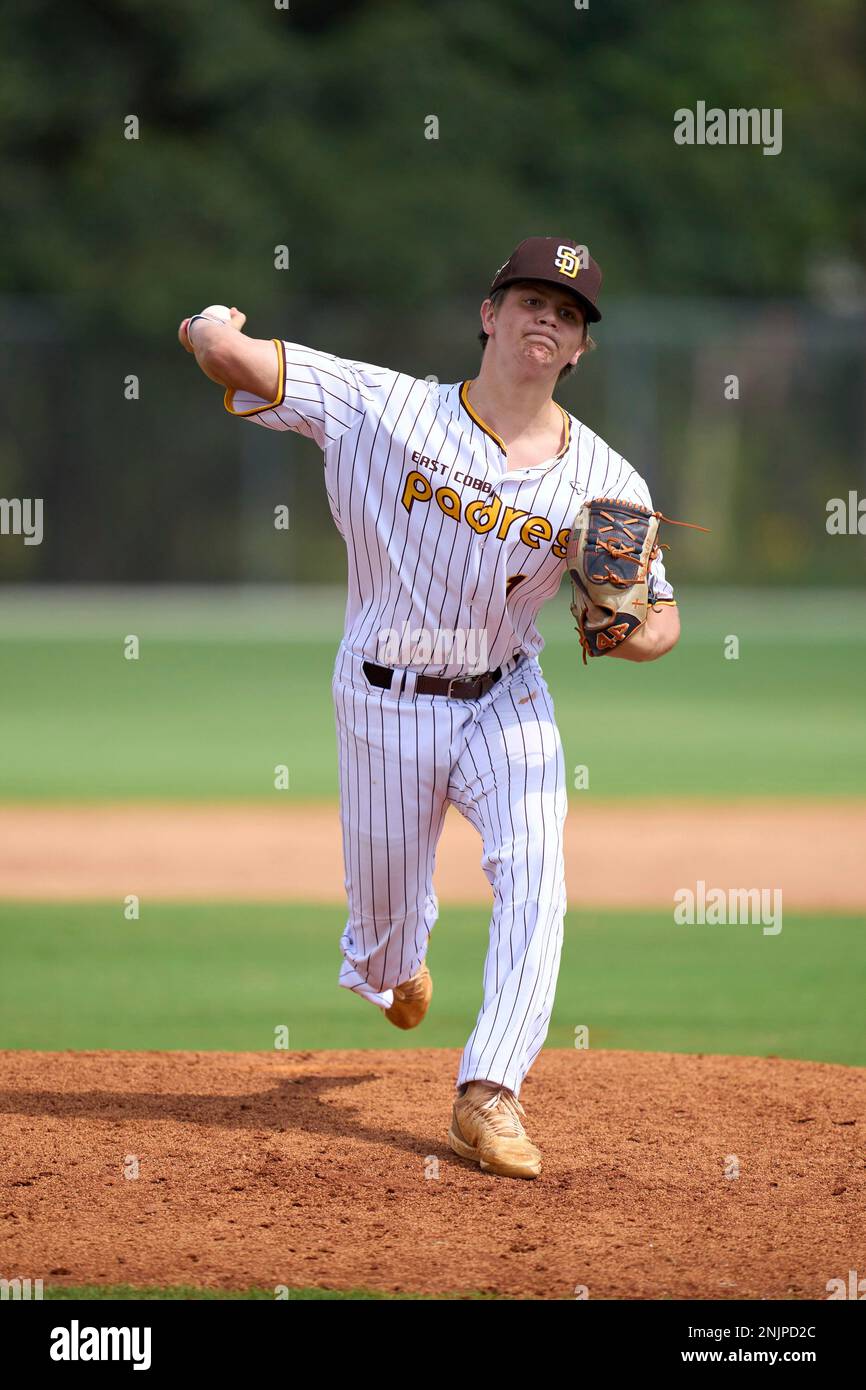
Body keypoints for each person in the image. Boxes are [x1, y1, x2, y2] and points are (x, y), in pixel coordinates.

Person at [178, 236, 680, 1180]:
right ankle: (392, 966)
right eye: (531, 299)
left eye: (568, 313)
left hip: (506, 695)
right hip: (383, 703)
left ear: (580, 350)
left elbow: (660, 624)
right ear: (489, 316)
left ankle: (490, 1094)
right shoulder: (380, 405)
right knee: (382, 945)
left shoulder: (607, 484)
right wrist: (211, 324)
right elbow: (225, 355)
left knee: (537, 873)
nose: (548, 318)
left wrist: (623, 628)